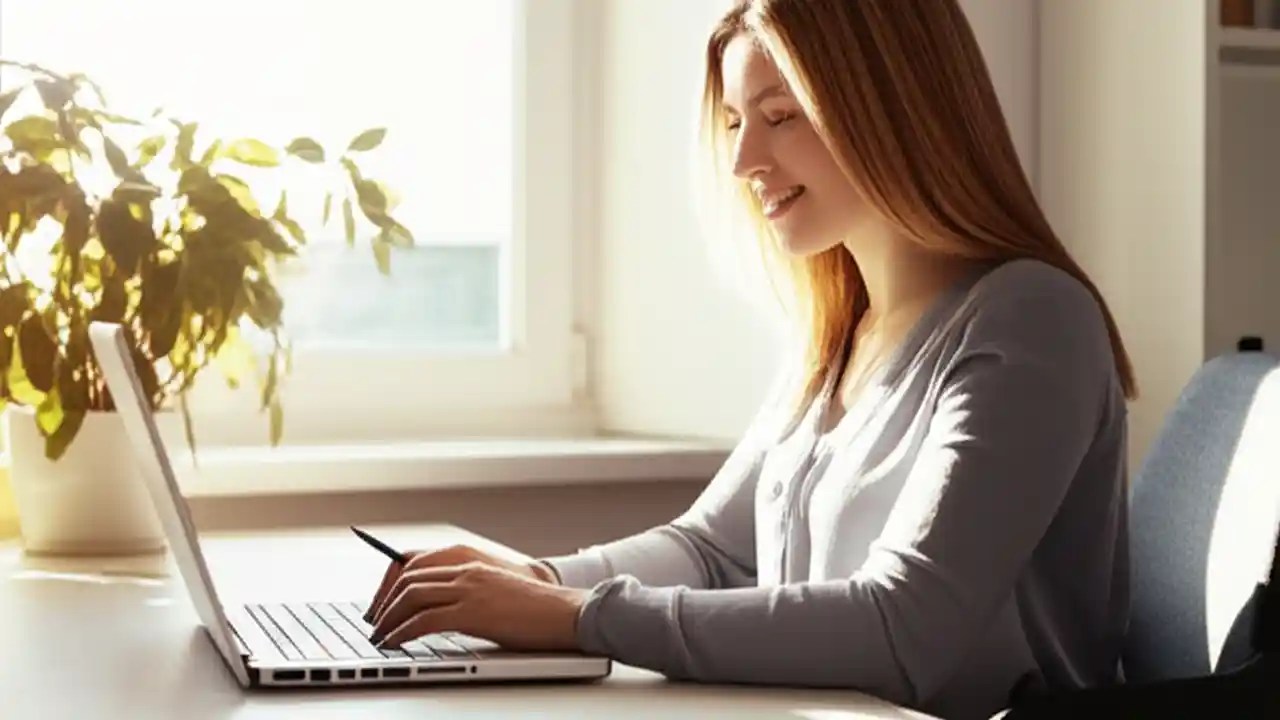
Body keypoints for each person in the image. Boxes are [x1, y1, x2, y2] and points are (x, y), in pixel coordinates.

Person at [363, 1, 1137, 718]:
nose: (742, 160)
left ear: (896, 111)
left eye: (779, 116)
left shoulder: (1032, 318)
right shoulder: (838, 335)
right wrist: (535, 581)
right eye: (735, 121)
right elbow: (710, 551)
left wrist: (579, 617)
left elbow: (908, 629)